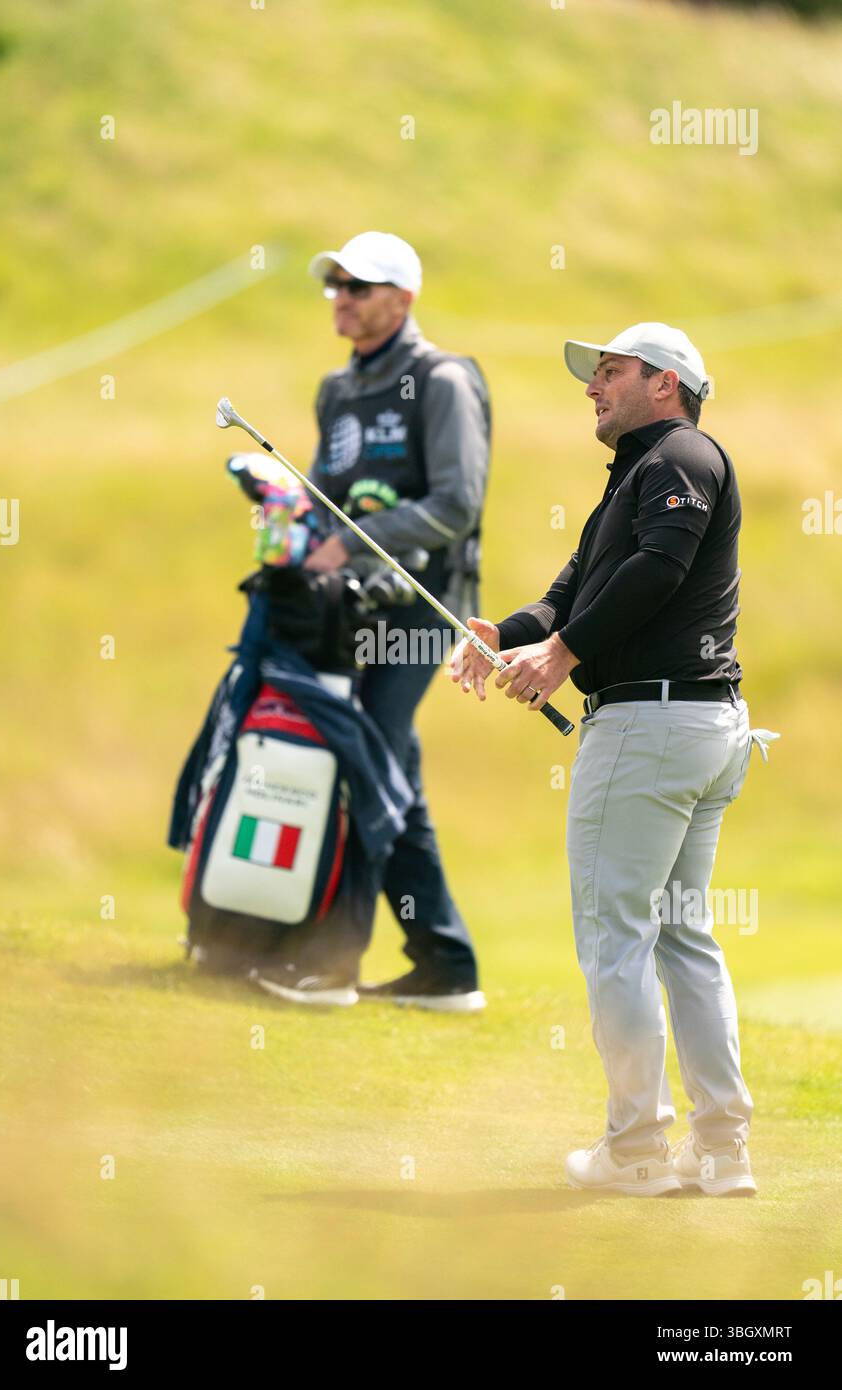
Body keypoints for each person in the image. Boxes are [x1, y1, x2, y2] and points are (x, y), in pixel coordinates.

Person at [452, 322, 779, 1193]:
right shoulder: (640, 474)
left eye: (611, 372)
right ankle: (720, 1151)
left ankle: (635, 1152)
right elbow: (574, 591)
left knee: (618, 939)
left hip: (649, 732)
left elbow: (656, 572)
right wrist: (504, 636)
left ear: (665, 382)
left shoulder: (679, 459)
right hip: (699, 730)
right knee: (681, 939)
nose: (593, 386)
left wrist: (561, 658)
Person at [302, 231, 491, 1012]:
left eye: (359, 285)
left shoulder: (443, 379)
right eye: (336, 283)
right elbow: (321, 490)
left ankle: (330, 961)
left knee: (368, 761)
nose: (342, 296)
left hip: (421, 609)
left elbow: (457, 503)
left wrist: (348, 539)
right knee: (392, 773)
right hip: (350, 608)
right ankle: (445, 965)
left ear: (402, 298)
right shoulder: (337, 390)